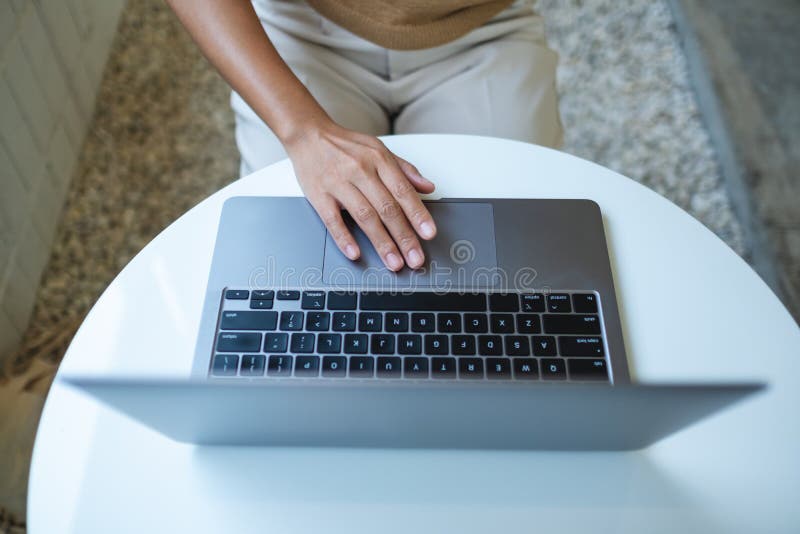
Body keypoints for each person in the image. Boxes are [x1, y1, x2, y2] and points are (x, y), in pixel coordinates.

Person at [166, 0, 562, 271]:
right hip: (300, 23)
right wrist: (303, 133)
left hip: (482, 25)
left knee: (516, 255)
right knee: (288, 256)